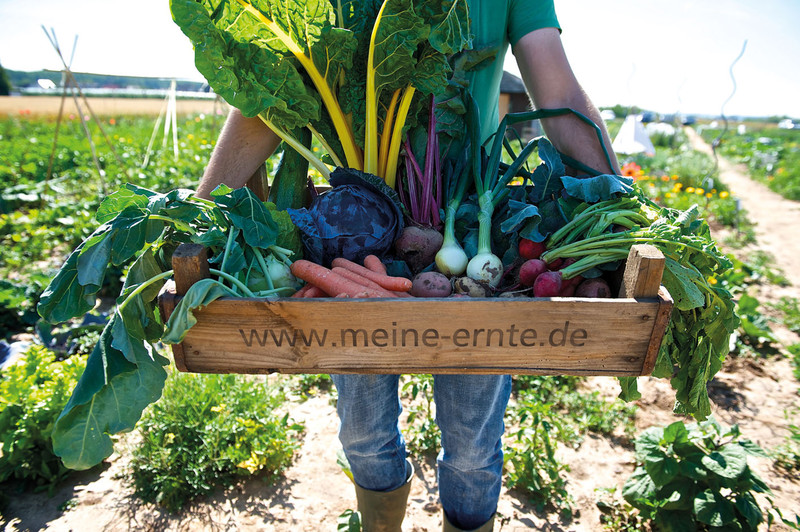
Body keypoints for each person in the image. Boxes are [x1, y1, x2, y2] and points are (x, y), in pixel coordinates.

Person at [196, 2, 619, 530]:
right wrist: (200, 215)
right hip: (357, 232)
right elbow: (268, 90)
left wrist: (621, 202)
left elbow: (560, 96)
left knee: (472, 446)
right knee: (362, 436)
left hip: (470, 222)